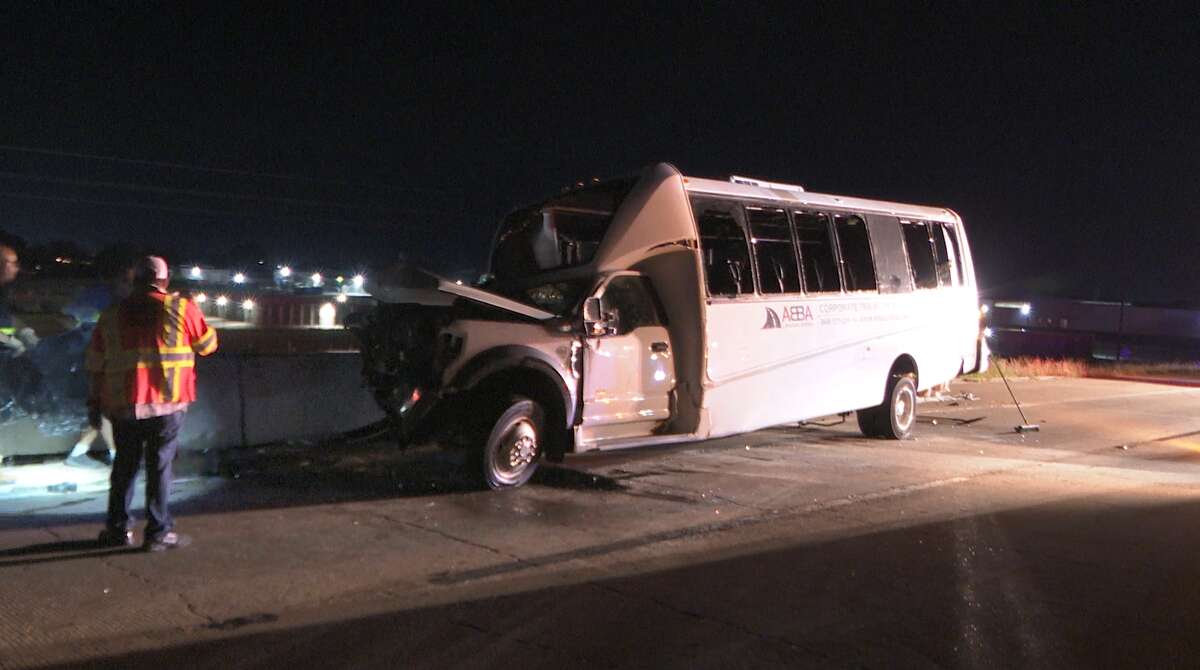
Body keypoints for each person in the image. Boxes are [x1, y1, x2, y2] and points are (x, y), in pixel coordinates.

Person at [87, 256, 218, 551]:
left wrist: (93, 403)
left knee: (124, 467)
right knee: (159, 468)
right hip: (167, 404)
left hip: (124, 404)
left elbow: (95, 363)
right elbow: (208, 346)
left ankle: (118, 530)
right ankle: (158, 533)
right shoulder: (181, 308)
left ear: (135, 280)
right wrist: (196, 313)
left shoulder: (111, 315)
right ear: (164, 280)